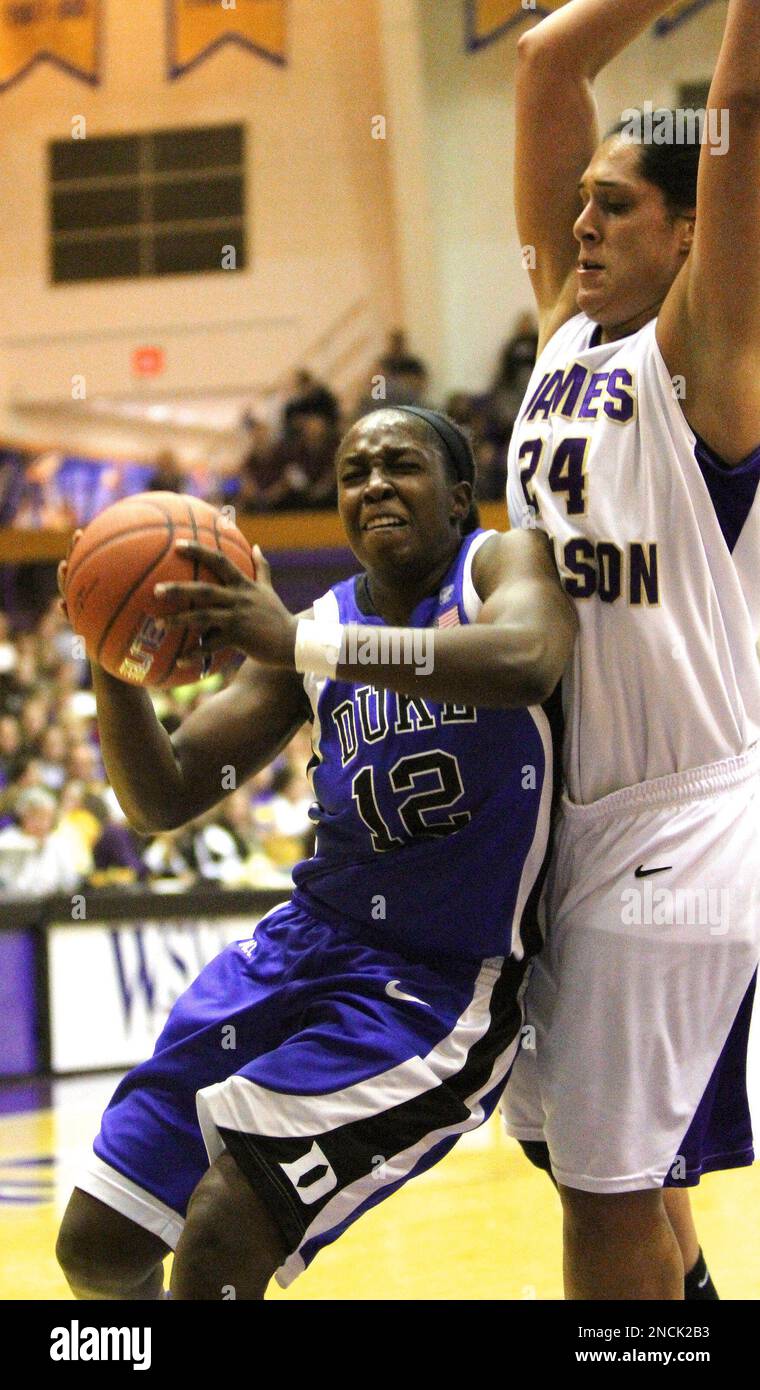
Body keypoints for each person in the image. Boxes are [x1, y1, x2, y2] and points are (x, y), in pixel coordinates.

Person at [55, 406, 576, 1299]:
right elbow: (161, 796)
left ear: (459, 497)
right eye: (353, 473)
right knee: (97, 1249)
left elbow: (530, 657)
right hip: (302, 947)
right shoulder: (316, 626)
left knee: (224, 1228)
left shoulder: (496, 563)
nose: (374, 484)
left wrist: (303, 642)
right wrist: (113, 648)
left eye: (400, 465)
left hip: (434, 992)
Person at [502, 0, 760, 1300]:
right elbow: (548, 58)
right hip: (569, 820)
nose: (582, 225)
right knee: (618, 1175)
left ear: (692, 232)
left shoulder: (706, 356)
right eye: (581, 203)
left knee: (603, 1198)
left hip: (677, 821)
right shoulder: (565, 328)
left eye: (615, 206)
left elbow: (741, 111)